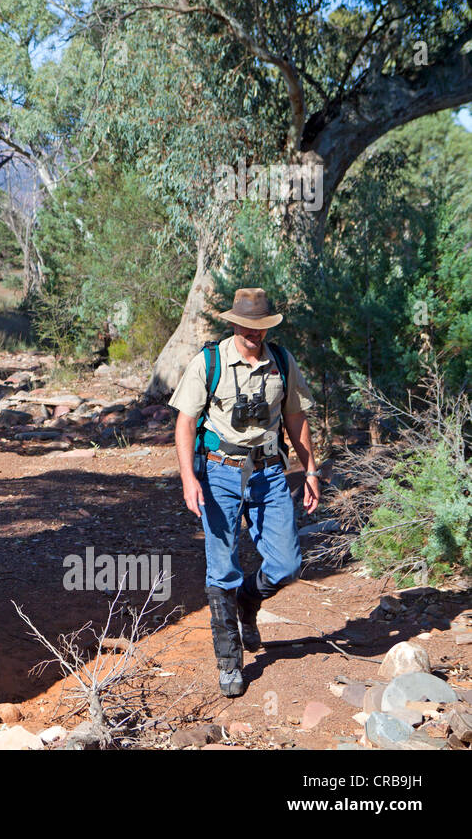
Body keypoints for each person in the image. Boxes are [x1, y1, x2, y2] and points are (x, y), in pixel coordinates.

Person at [169, 288, 321, 696]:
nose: (255, 334)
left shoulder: (282, 362)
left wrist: (310, 470)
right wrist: (188, 477)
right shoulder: (209, 362)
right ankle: (229, 659)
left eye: (262, 327)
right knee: (222, 566)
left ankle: (248, 600)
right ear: (235, 323)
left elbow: (295, 418)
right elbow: (185, 423)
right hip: (219, 470)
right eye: (248, 326)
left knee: (287, 564)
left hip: (269, 471)